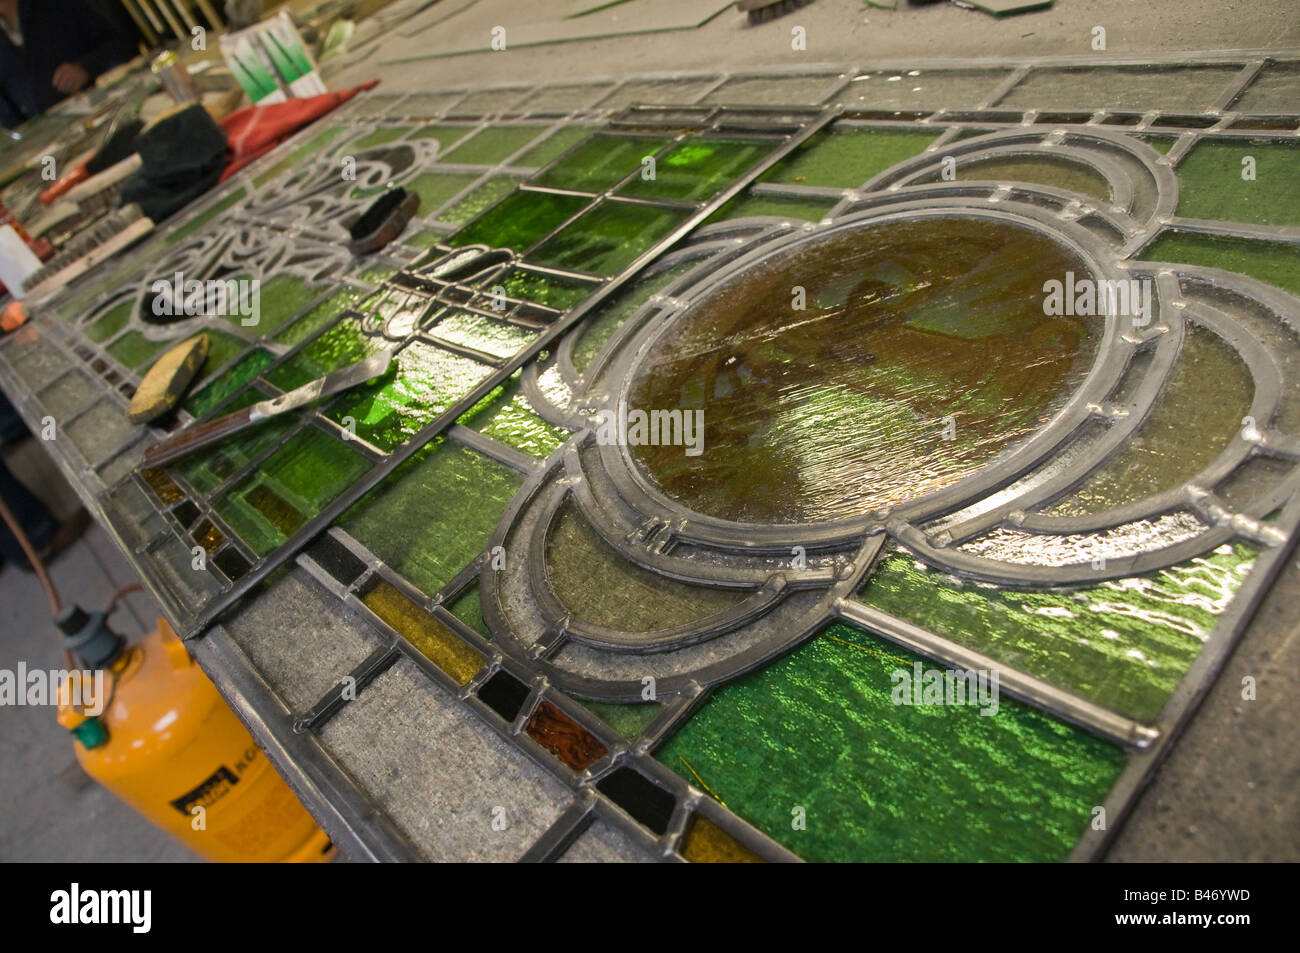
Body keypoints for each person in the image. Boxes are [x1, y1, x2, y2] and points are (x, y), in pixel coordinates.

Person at [0, 0, 138, 130]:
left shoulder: (56, 5)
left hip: (112, 114)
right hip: (54, 143)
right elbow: (9, 116)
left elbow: (123, 43)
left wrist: (86, 68)